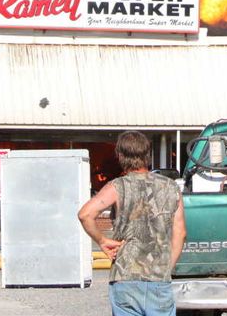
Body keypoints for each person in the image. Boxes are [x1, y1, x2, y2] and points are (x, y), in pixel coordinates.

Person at [79, 132, 186, 316]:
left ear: (120, 155)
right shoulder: (171, 187)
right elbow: (180, 232)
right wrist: (167, 267)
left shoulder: (117, 186)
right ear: (148, 155)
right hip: (159, 278)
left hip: (125, 277)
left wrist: (102, 240)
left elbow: (85, 214)